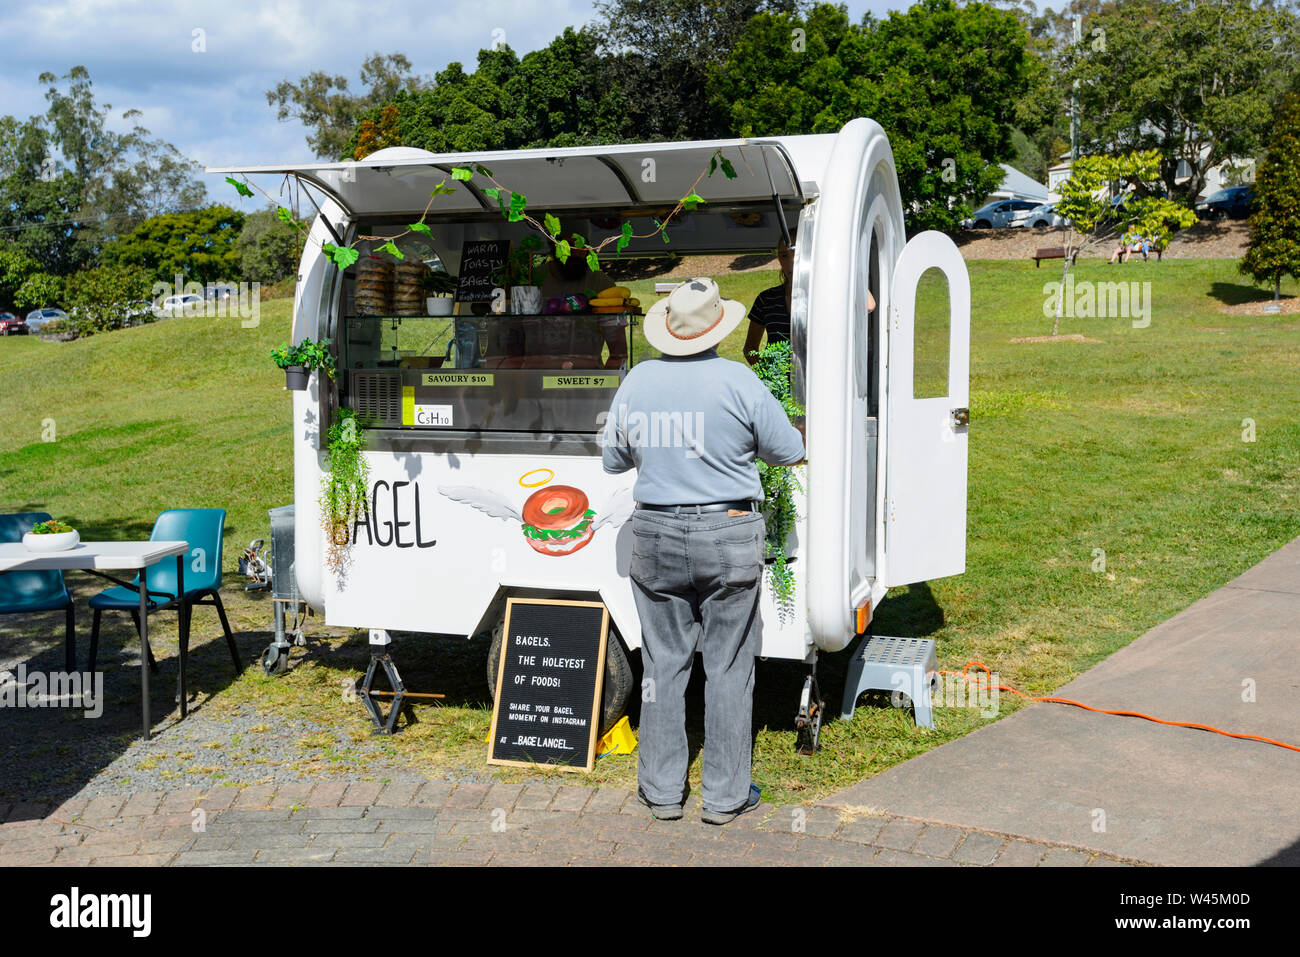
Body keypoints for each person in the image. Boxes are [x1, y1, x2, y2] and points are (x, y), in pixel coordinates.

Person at [602, 277, 805, 825]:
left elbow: (613, 460)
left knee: (662, 666)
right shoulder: (738, 380)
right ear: (719, 327)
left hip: (656, 534)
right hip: (728, 531)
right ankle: (724, 796)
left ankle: (663, 792)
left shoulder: (638, 381)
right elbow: (790, 450)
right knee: (729, 666)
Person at [743, 234, 874, 365]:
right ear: (779, 259)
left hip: (821, 381)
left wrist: (844, 263)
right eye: (784, 255)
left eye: (798, 254)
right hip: (779, 384)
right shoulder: (766, 299)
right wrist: (771, 378)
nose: (791, 261)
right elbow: (750, 349)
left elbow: (868, 305)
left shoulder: (827, 295)